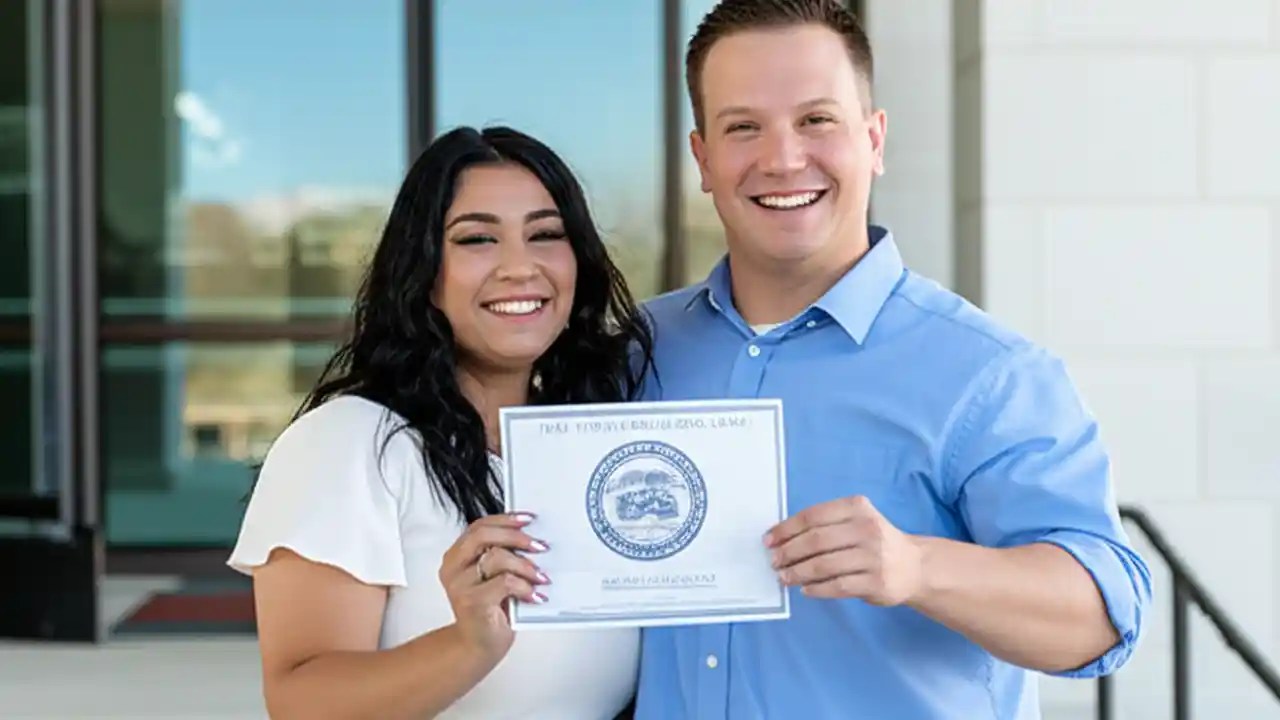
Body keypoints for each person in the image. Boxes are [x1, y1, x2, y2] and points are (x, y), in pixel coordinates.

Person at [633, 1, 1153, 718]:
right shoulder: (635, 354)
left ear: (874, 140)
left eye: (817, 120)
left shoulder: (988, 373)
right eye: (743, 127)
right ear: (702, 159)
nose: (783, 158)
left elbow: (1104, 614)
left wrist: (919, 567)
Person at [227, 125, 653, 719]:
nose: (519, 267)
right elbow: (300, 703)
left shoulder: (601, 447)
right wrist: (468, 644)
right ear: (426, 274)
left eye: (546, 234)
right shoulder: (349, 443)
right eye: (477, 239)